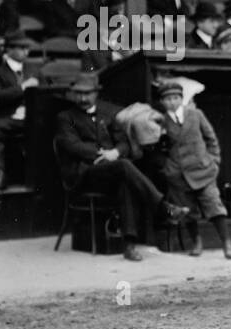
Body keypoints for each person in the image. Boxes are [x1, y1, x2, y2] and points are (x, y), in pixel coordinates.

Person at [53, 73, 190, 261]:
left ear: (96, 93)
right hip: (84, 176)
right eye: (79, 94)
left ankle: (129, 245)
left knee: (125, 182)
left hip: (110, 172)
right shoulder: (65, 117)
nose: (83, 98)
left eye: (87, 94)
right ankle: (163, 207)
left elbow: (124, 142)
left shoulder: (108, 114)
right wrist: (103, 154)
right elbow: (72, 145)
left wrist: (115, 153)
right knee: (124, 167)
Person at [155, 79, 231, 258]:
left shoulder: (196, 114)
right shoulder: (161, 122)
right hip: (179, 175)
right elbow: (159, 148)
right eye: (167, 99)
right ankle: (197, 243)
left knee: (214, 206)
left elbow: (211, 138)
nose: (172, 102)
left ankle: (227, 243)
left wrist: (214, 161)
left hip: (203, 171)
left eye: (175, 98)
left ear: (181, 99)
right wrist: (168, 169)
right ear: (162, 102)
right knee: (188, 212)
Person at [0, 33, 40, 191]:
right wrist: (22, 87)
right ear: (9, 50)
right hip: (10, 117)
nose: (26, 52)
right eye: (22, 48)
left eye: (27, 48)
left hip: (34, 116)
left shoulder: (34, 69)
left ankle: (44, 177)